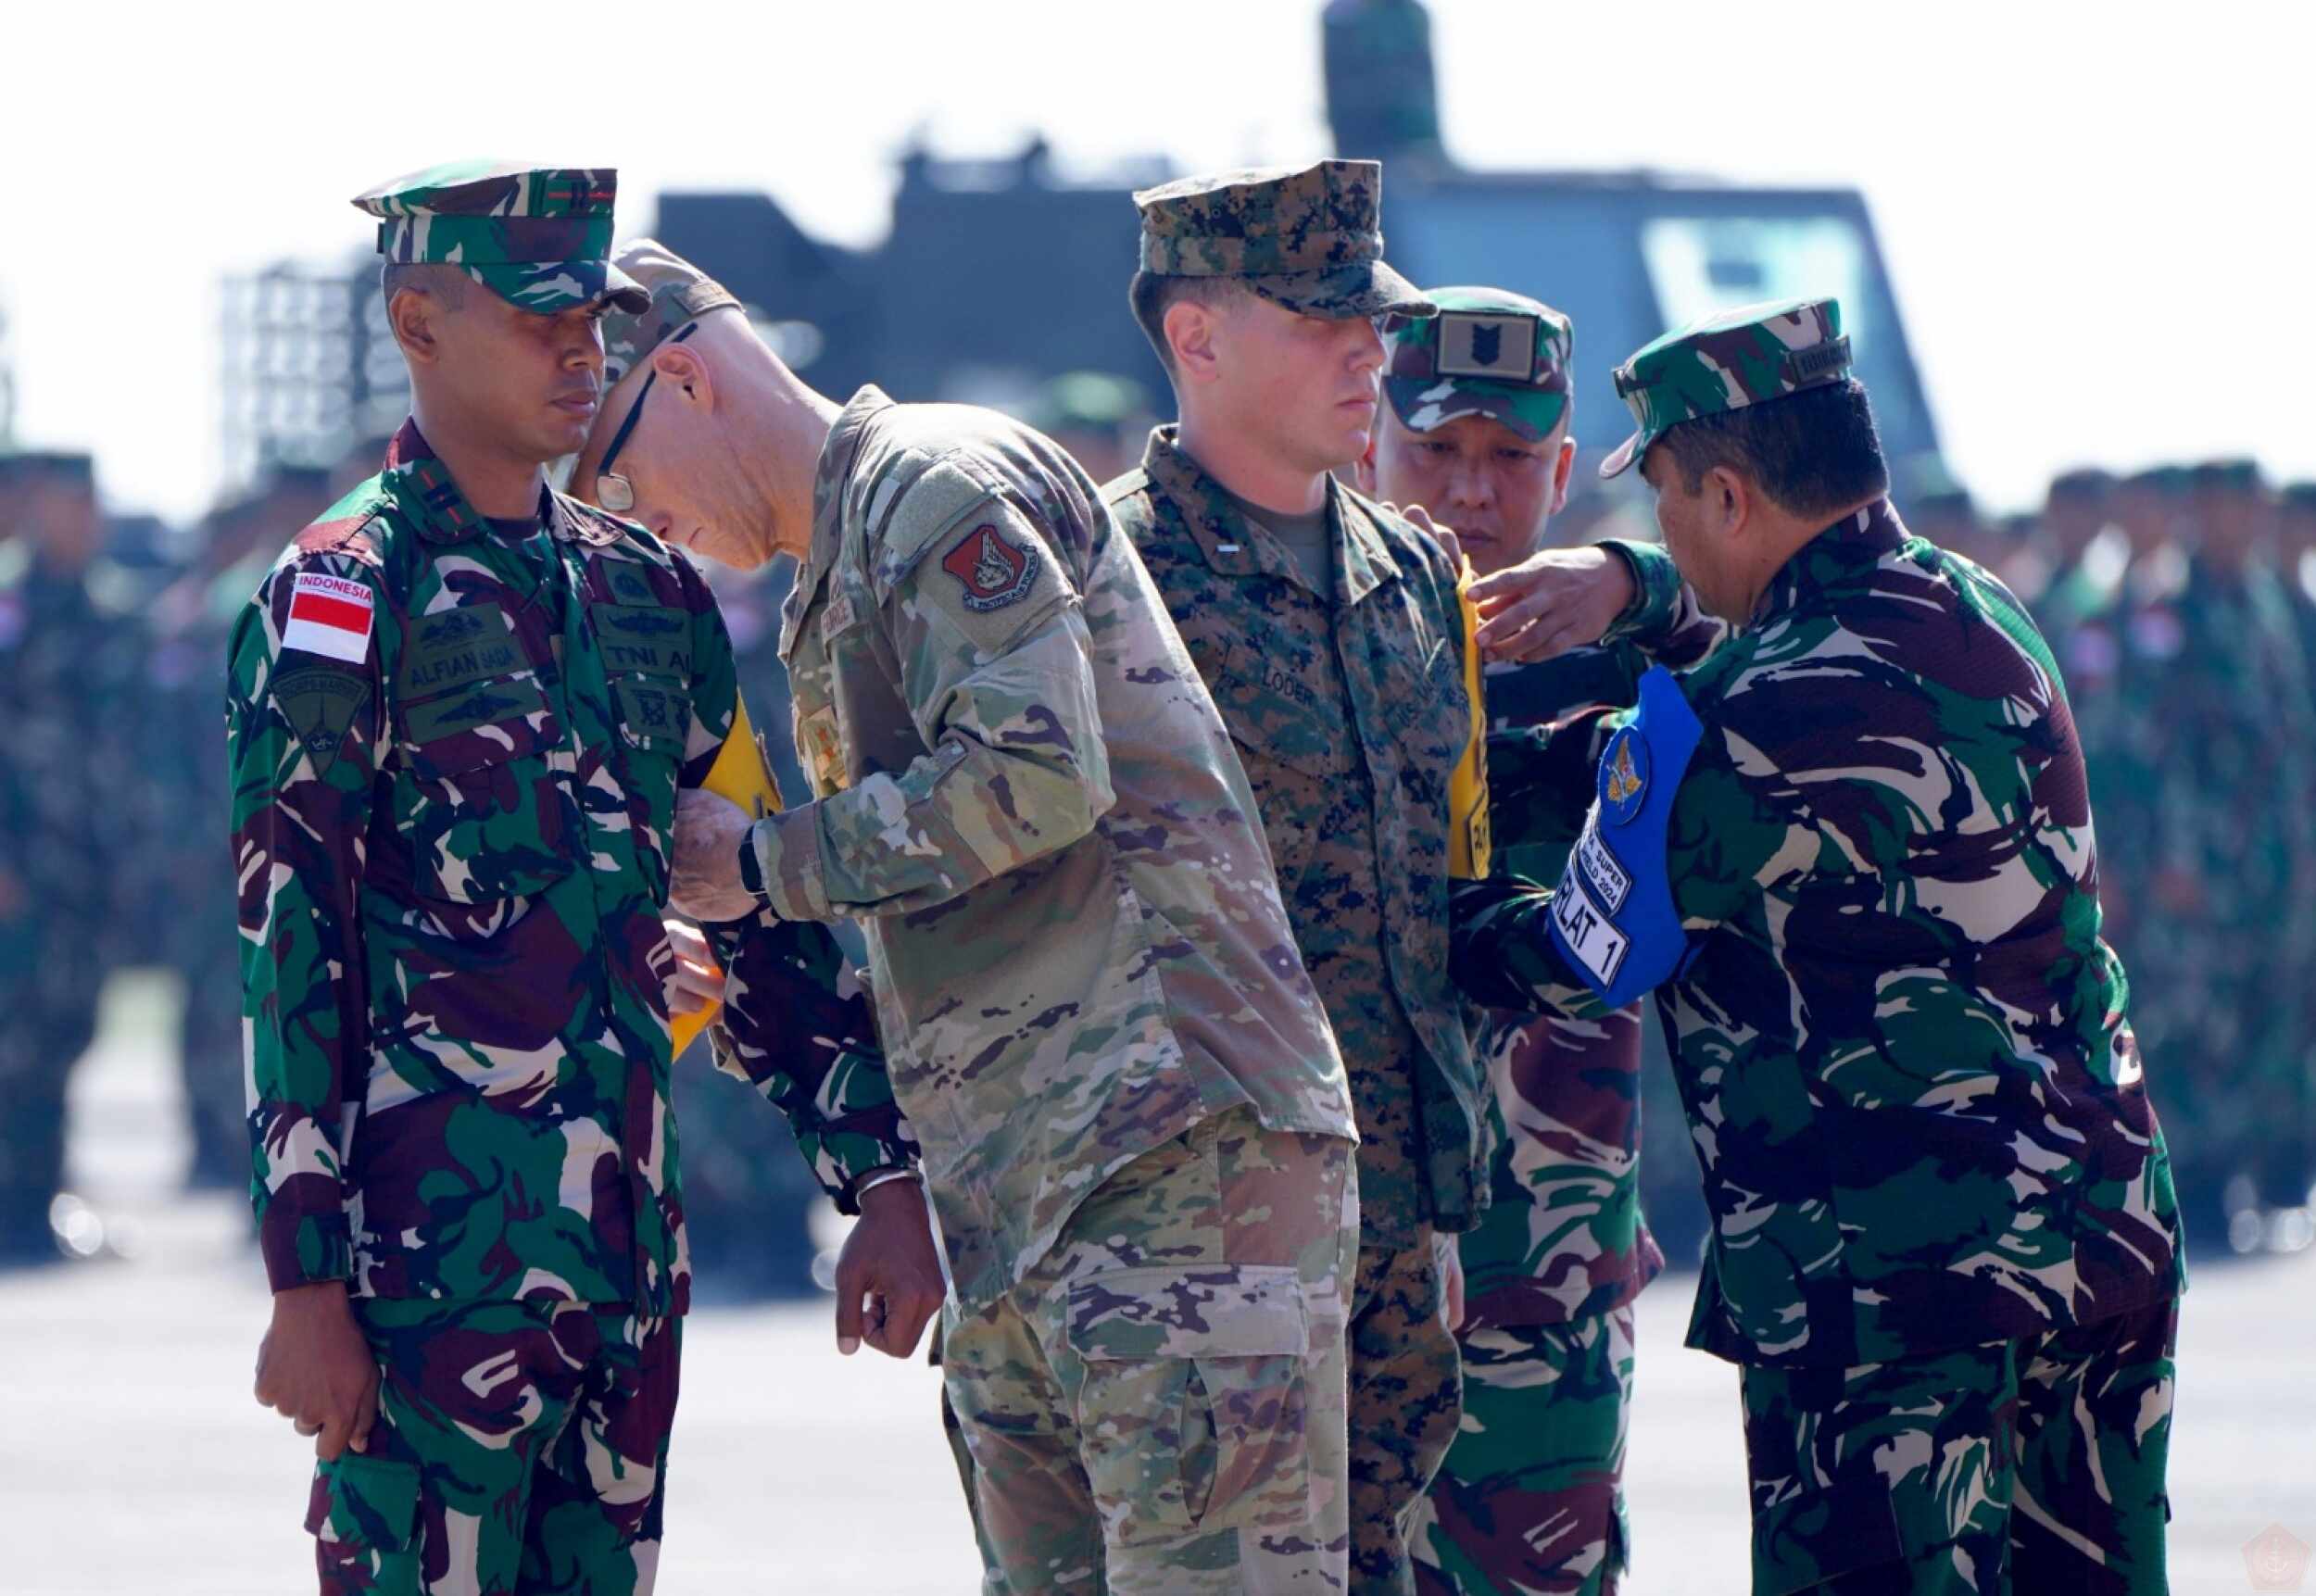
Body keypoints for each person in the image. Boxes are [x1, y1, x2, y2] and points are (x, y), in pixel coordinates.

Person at [583, 239, 1362, 1594]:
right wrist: (900, 1180)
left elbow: (1038, 772)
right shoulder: (835, 567)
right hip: (1036, 1186)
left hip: (1173, 1155)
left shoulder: (933, 486)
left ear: (688, 383)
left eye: (619, 471)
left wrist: (767, 861)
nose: (636, 518)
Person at [230, 165, 935, 1595]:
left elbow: (745, 890)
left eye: (595, 320)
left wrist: (879, 1169)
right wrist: (304, 1281)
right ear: (419, 322)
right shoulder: (342, 591)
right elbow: (290, 944)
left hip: (622, 1276)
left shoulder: (648, 593)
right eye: (538, 316)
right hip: (422, 1276)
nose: (581, 351)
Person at [1447, 298, 2185, 1593]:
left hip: (1896, 1290)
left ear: (1730, 495)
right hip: (2101, 1237)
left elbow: (1586, 948)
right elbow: (1725, 658)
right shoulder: (1977, 603)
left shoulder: (1760, 706)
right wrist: (1635, 588)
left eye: (1667, 500)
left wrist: (1417, 896)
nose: (1658, 528)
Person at [1102, 160, 1510, 1594]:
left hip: (1395, 1219)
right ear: (1196, 335)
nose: (1369, 351)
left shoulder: (1415, 576)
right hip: (1197, 1224)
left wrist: (1441, 1204)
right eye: (1324, 317)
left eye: (1372, 318)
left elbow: (1439, 888)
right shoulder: (1098, 580)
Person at [1356, 287, 1709, 1596]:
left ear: (1563, 473)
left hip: (1544, 1267)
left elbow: (1796, 635)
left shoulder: (1615, 657)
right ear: (1365, 446)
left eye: (1511, 459)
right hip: (1338, 1258)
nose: (1470, 491)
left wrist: (1634, 579)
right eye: (1435, 451)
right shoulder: (1285, 645)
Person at [0, 449, 144, 1262]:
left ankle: (38, 1198)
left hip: (88, 876)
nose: (80, 521)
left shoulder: (114, 616)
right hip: (18, 874)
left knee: (66, 1032)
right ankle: (14, 1209)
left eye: (89, 505)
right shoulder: (7, 613)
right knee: (12, 1043)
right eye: (65, 504)